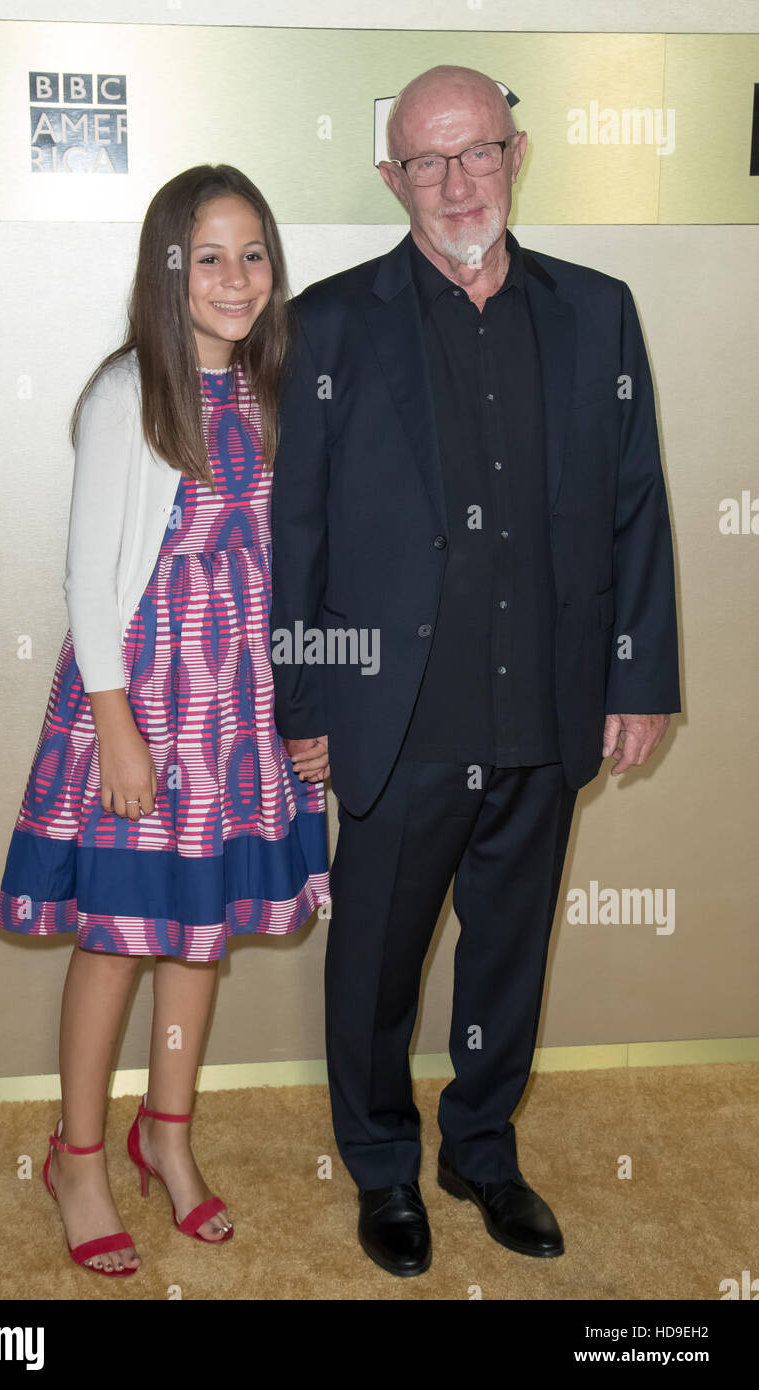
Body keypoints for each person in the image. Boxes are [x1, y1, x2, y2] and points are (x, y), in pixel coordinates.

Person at [270, 65, 679, 1277]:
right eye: (426, 163)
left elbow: (635, 509)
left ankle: (481, 1152)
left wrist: (636, 676)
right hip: (396, 718)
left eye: (477, 153)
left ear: (516, 152)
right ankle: (383, 1165)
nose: (456, 184)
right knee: (376, 964)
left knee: (508, 946)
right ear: (390, 177)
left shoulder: (597, 312)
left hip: (544, 707)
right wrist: (307, 698)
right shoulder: (331, 324)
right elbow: (299, 538)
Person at [0, 165, 330, 1276]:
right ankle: (78, 1157)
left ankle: (167, 1136)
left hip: (236, 712)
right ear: (166, 271)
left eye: (251, 254)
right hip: (138, 708)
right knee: (114, 941)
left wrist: (299, 703)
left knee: (202, 935)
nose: (233, 278)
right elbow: (89, 581)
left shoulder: (279, 388)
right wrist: (118, 727)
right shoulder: (129, 392)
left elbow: (293, 569)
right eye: (206, 257)